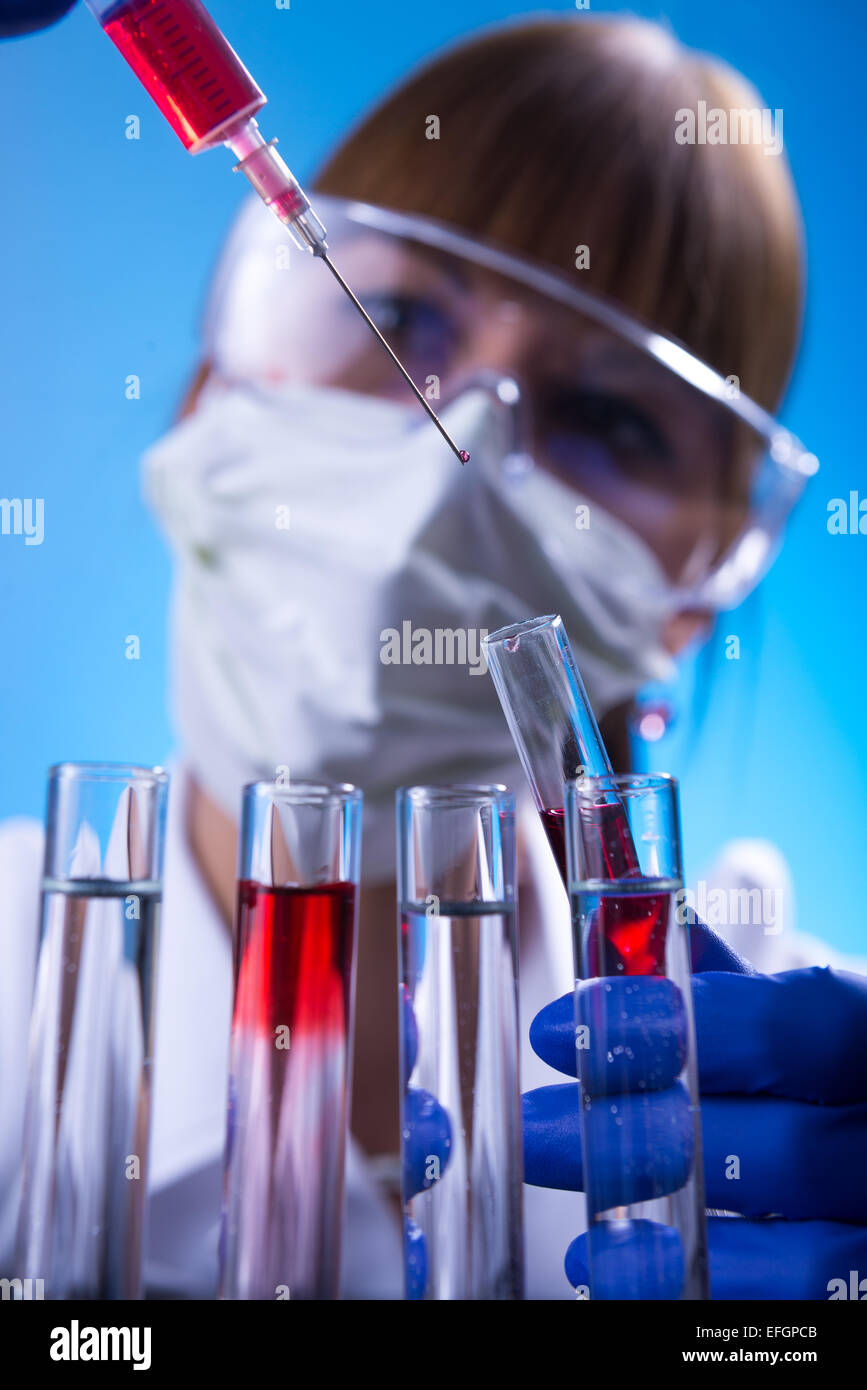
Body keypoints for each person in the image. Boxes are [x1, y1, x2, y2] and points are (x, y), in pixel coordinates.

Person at [1, 15, 865, 1299]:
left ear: (690, 600)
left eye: (608, 416)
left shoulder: (793, 1121)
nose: (448, 459)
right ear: (208, 400)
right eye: (398, 316)